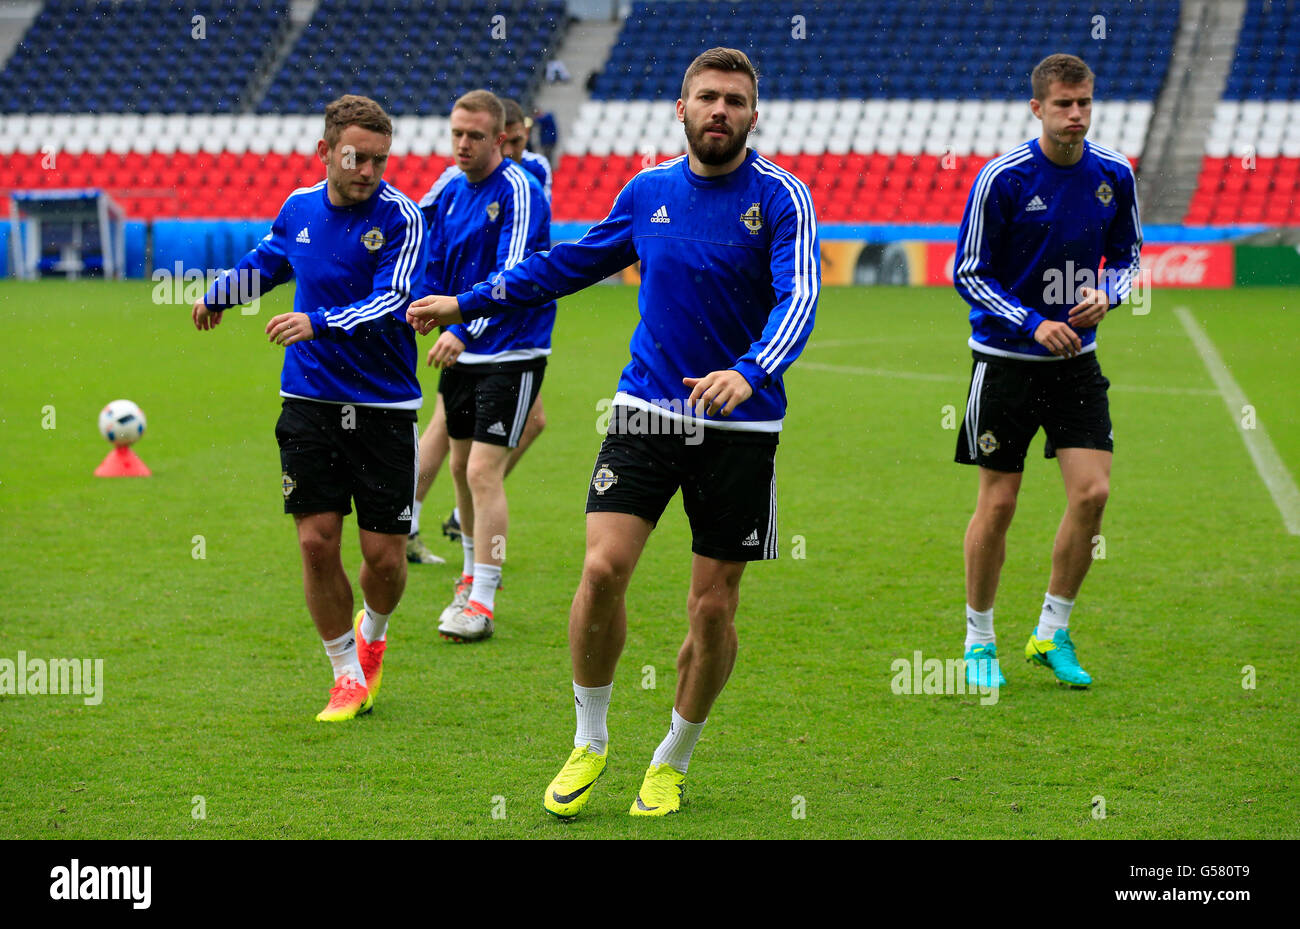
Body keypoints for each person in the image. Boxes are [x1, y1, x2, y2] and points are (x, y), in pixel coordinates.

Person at [408, 47, 819, 817]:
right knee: (600, 571)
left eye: (735, 99)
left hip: (741, 420)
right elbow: (566, 264)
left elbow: (800, 297)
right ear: (682, 108)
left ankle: (672, 755)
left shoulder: (785, 199)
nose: (720, 111)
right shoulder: (649, 191)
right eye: (707, 97)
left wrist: (752, 369)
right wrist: (467, 304)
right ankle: (590, 737)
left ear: (754, 115)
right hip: (645, 410)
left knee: (711, 609)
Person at [191, 94, 425, 722]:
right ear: (324, 152)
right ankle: (345, 673)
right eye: (356, 157)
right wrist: (222, 294)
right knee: (317, 543)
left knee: (384, 558)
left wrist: (316, 322)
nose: (369, 171)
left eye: (379, 160)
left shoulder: (402, 218)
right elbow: (271, 258)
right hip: (309, 402)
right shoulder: (298, 207)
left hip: (382, 406)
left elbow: (393, 300)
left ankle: (373, 632)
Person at [953, 53, 1141, 690]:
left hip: (1076, 366)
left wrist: (1111, 291)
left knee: (1093, 494)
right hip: (1006, 365)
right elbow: (969, 273)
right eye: (1063, 105)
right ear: (1037, 108)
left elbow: (1132, 254)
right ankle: (980, 640)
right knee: (999, 503)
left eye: (1084, 102)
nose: (1076, 116)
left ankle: (1050, 633)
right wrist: (1032, 321)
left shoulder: (1113, 173)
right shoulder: (1002, 179)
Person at [419, 89, 555, 643]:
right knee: (457, 468)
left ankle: (484, 599)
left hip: (512, 350)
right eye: (456, 133)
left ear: (501, 138)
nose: (463, 144)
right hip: (462, 347)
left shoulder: (522, 191)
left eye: (475, 135)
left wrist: (459, 326)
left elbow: (514, 278)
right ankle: (470, 576)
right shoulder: (450, 189)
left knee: (482, 471)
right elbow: (428, 257)